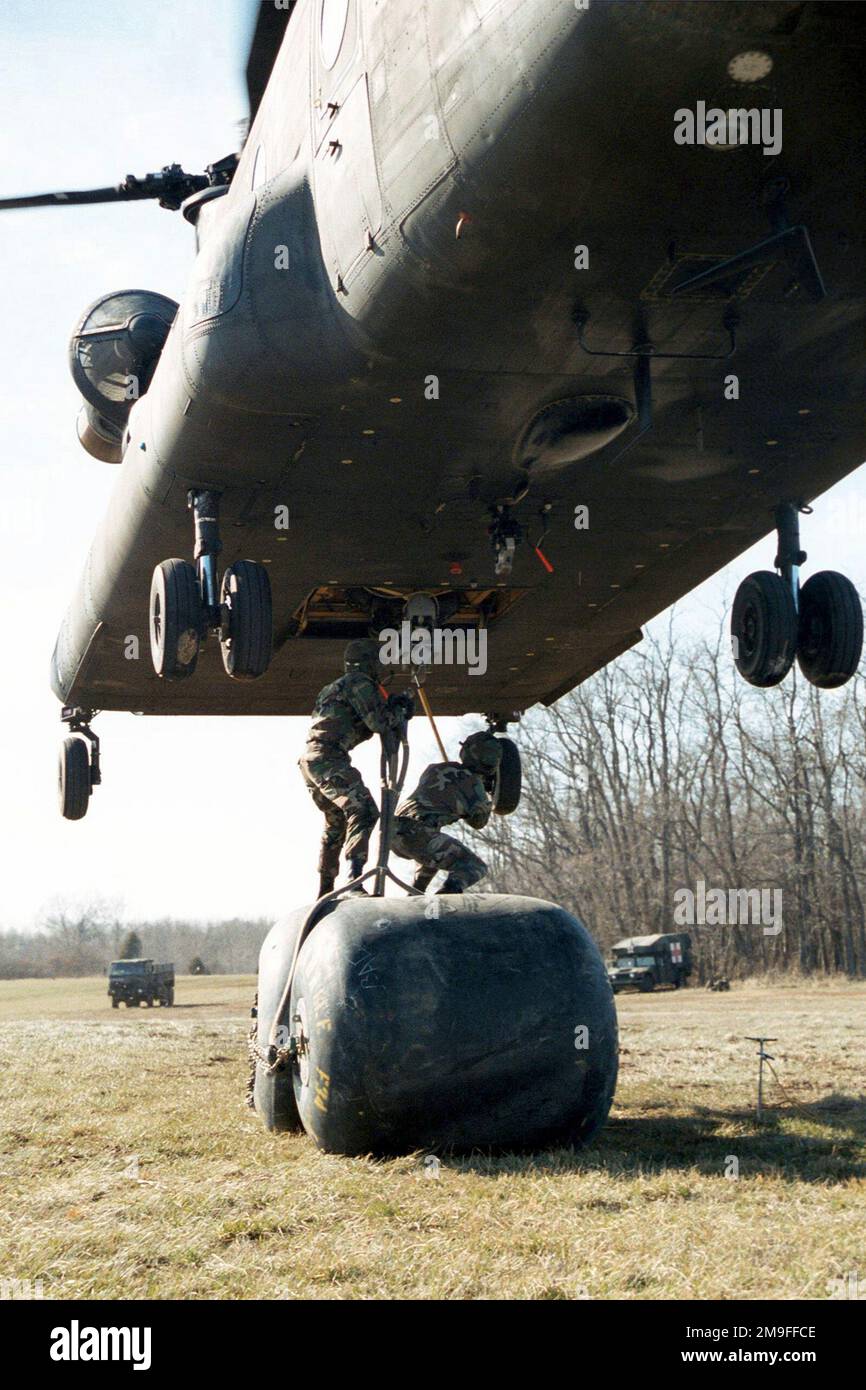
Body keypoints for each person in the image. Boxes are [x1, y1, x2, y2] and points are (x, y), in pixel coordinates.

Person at [300, 638, 414, 897]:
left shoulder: (334, 687)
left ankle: (325, 889)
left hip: (313, 759)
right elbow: (379, 722)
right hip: (328, 758)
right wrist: (400, 709)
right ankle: (355, 878)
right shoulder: (359, 683)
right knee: (363, 811)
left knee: (337, 821)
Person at [391, 731, 502, 893]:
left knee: (432, 858)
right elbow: (479, 822)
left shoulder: (435, 769)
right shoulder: (473, 783)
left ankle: (415, 894)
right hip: (419, 834)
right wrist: (487, 796)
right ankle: (444, 900)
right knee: (474, 867)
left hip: (394, 831)